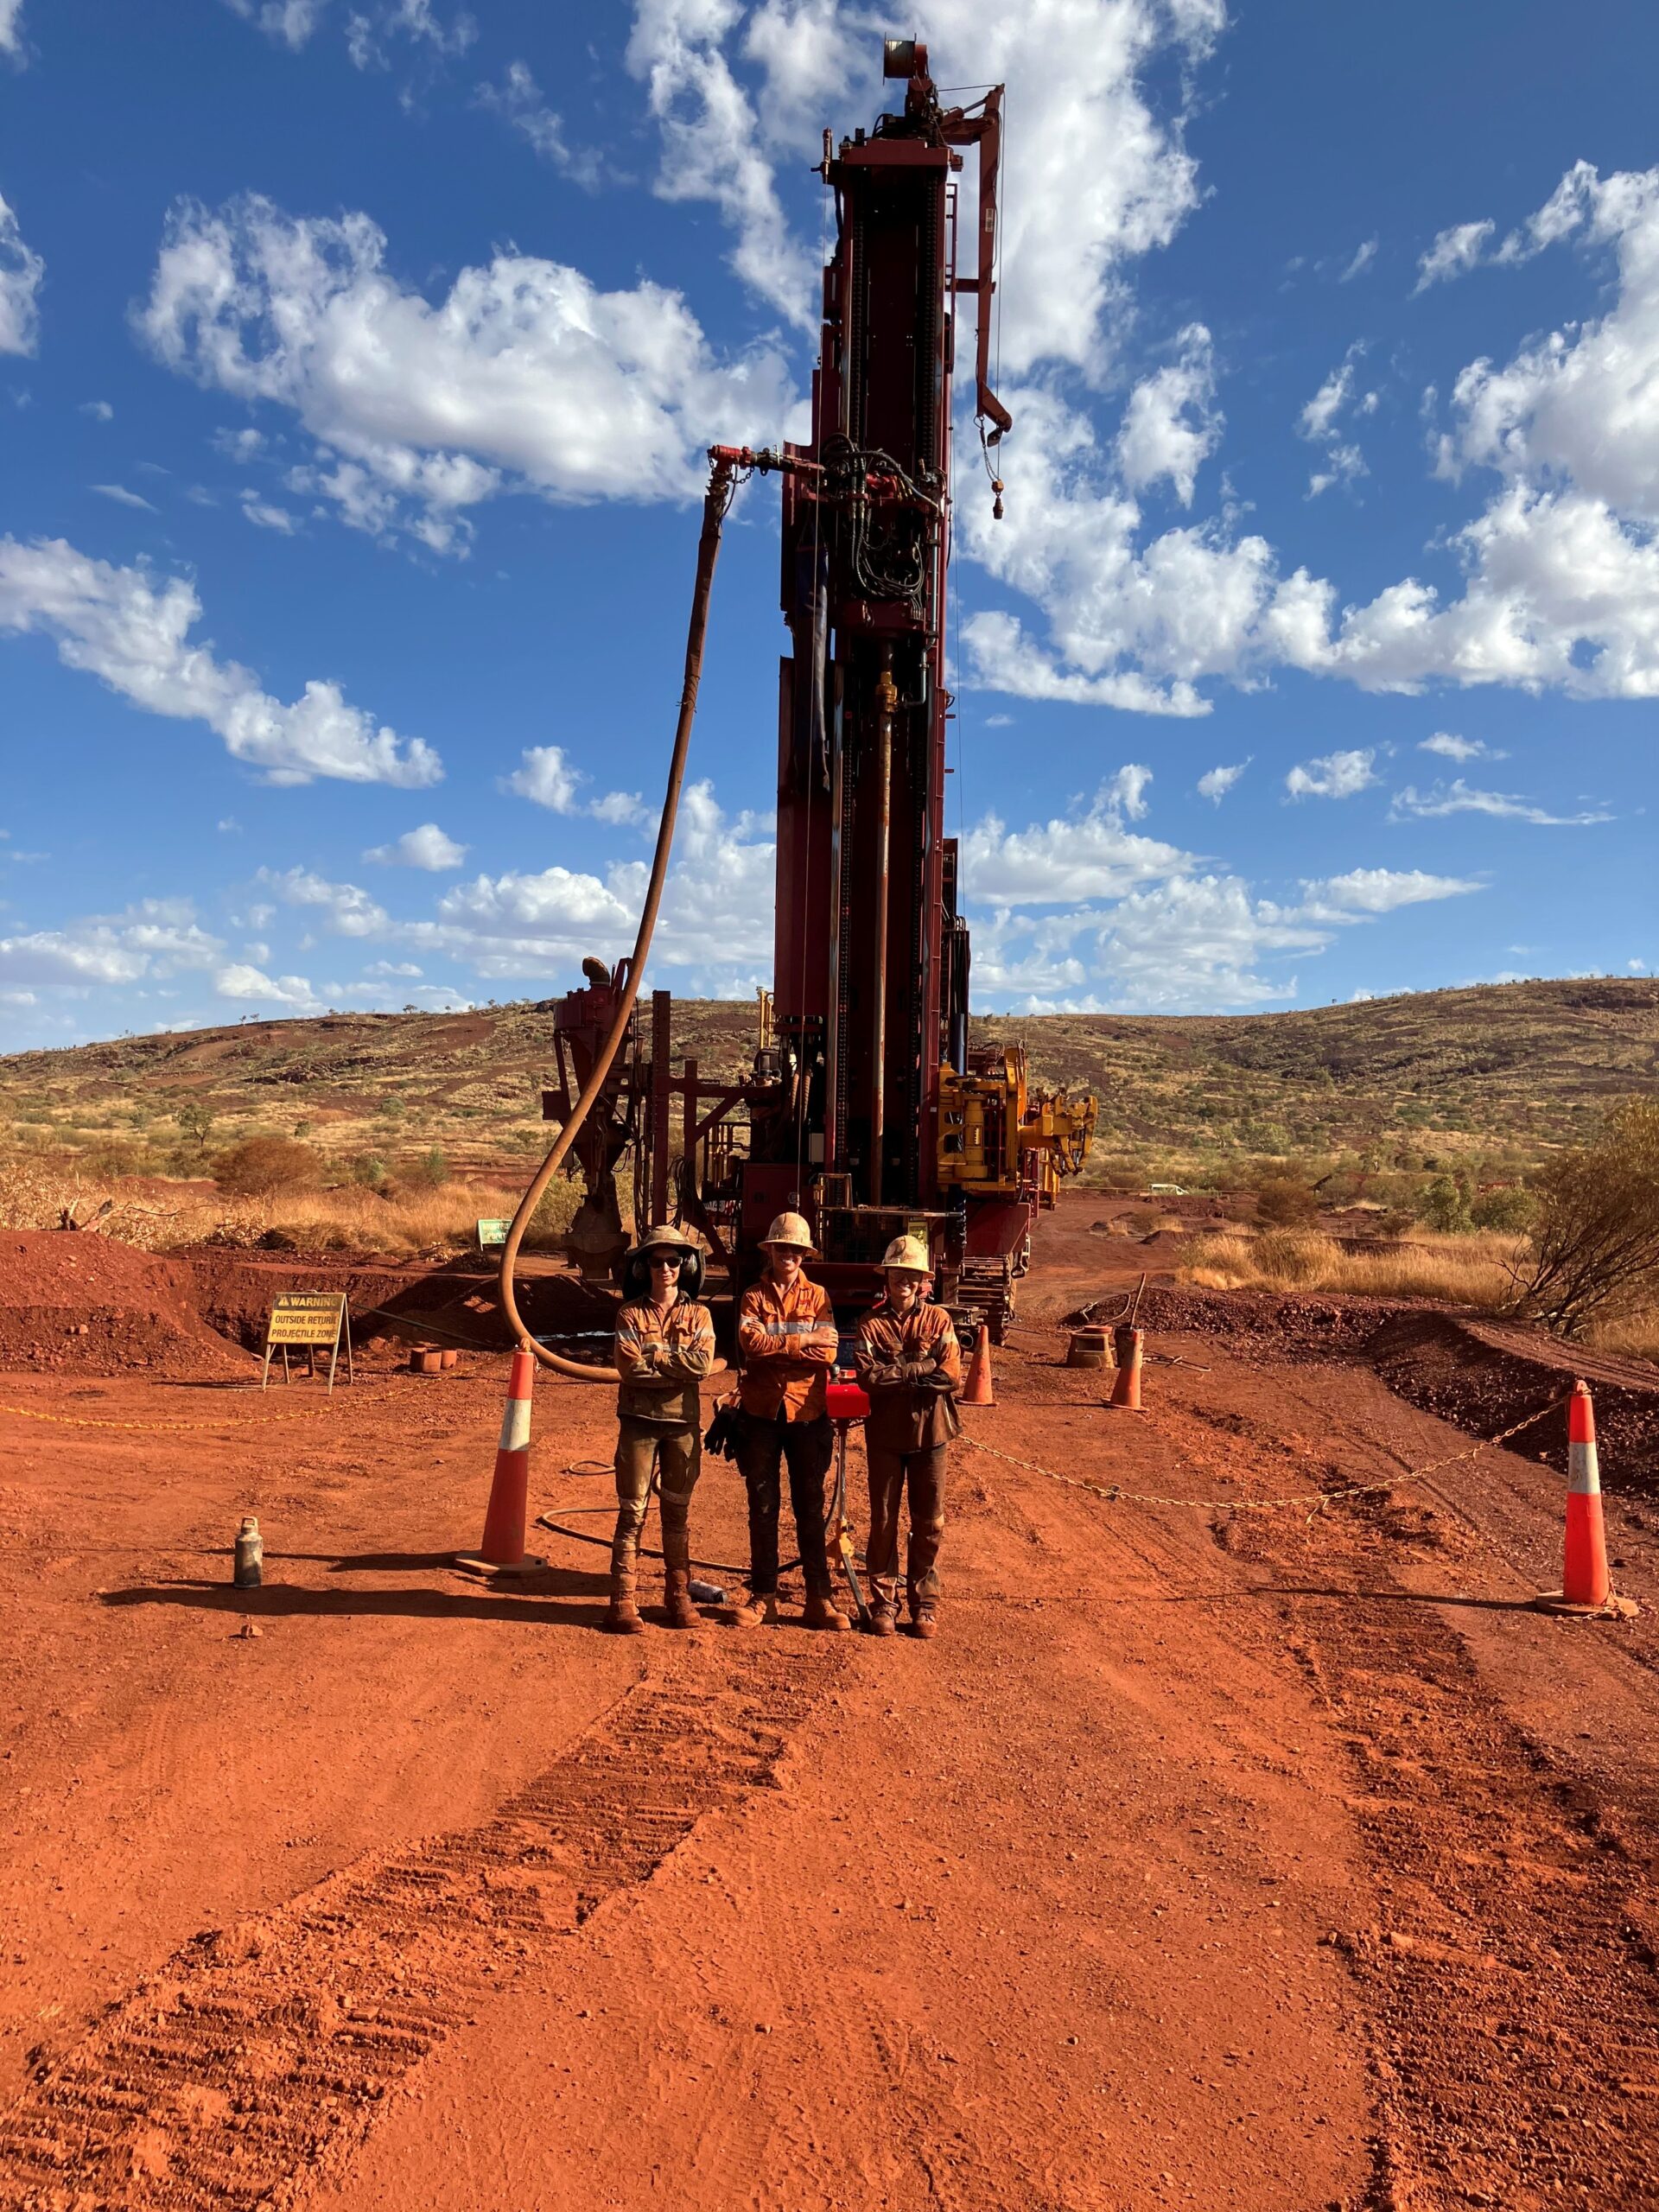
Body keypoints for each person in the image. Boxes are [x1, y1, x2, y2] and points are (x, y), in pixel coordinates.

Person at [724, 1212, 849, 1630]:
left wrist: (783, 1347)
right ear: (771, 1250)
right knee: (763, 1508)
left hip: (808, 1415)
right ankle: (764, 1598)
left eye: (796, 1249)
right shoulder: (752, 1298)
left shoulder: (818, 1296)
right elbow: (750, 1343)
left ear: (804, 1255)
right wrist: (804, 1340)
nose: (789, 1255)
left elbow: (829, 1353)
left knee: (809, 1509)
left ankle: (819, 1599)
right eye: (783, 1248)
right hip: (760, 1414)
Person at [607, 1224, 716, 1634]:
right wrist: (674, 1364)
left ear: (685, 1265)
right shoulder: (629, 1313)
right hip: (638, 1424)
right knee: (632, 1512)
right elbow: (628, 1369)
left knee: (676, 1513)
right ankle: (622, 1601)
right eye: (657, 1262)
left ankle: (679, 1597)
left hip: (682, 1425)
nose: (666, 1268)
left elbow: (702, 1366)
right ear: (644, 1267)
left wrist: (653, 1357)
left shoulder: (699, 1314)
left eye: (674, 1261)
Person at [852, 1235, 963, 1639]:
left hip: (932, 1435)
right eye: (899, 1273)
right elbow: (868, 1378)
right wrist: (921, 1367)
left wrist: (897, 1371)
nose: (905, 1281)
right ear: (887, 1277)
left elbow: (950, 1376)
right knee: (883, 1522)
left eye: (912, 1275)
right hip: (884, 1435)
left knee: (929, 1521)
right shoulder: (870, 1323)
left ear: (923, 1281)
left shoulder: (940, 1321)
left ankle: (924, 1605)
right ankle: (883, 1603)